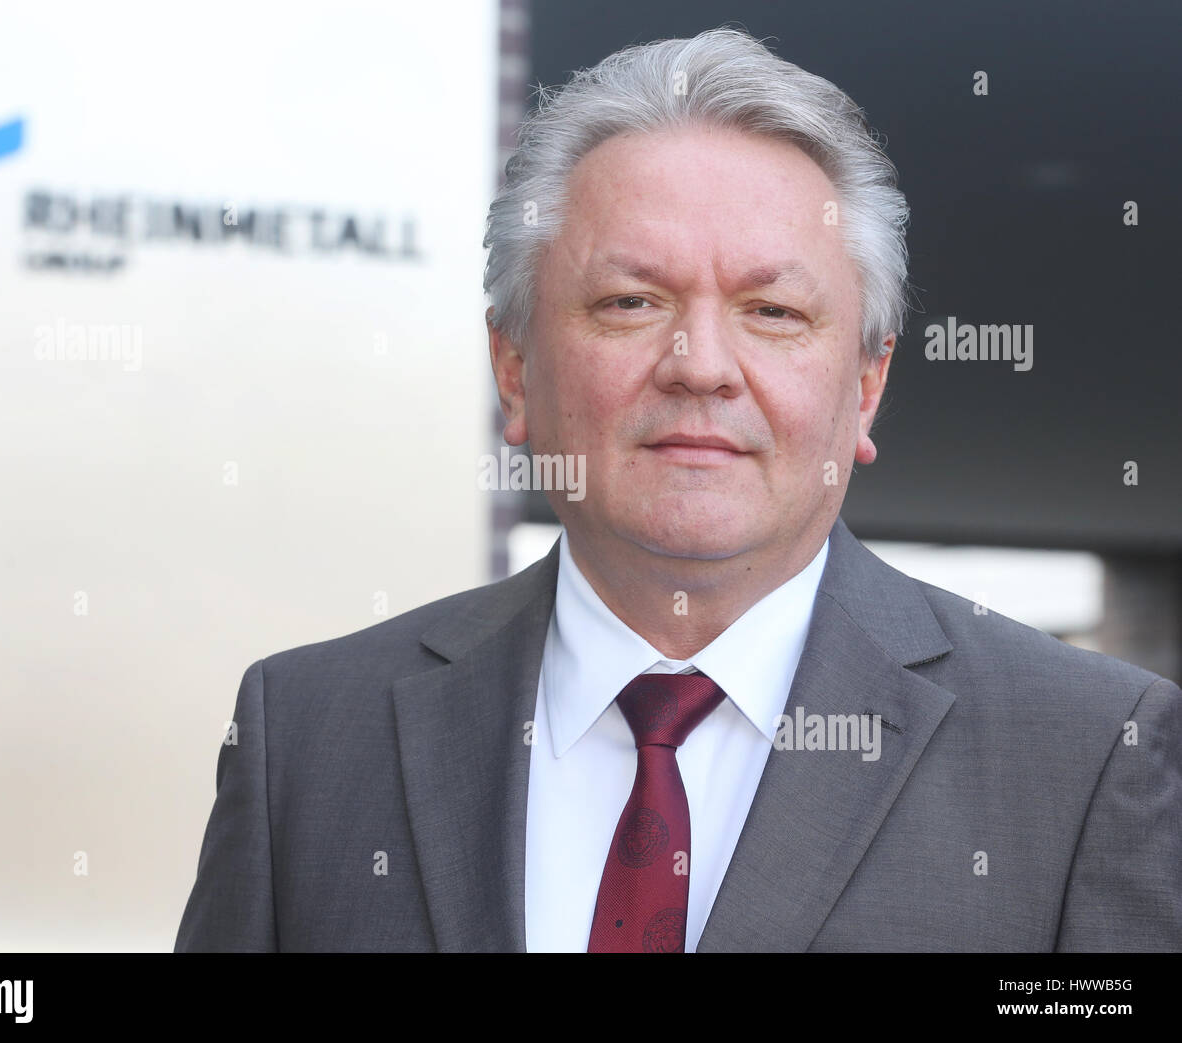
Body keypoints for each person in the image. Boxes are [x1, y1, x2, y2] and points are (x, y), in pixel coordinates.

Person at [174, 27, 1181, 952]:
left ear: (866, 384)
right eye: (629, 301)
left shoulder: (1087, 757)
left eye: (773, 310)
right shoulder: (305, 736)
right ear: (515, 368)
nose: (700, 363)